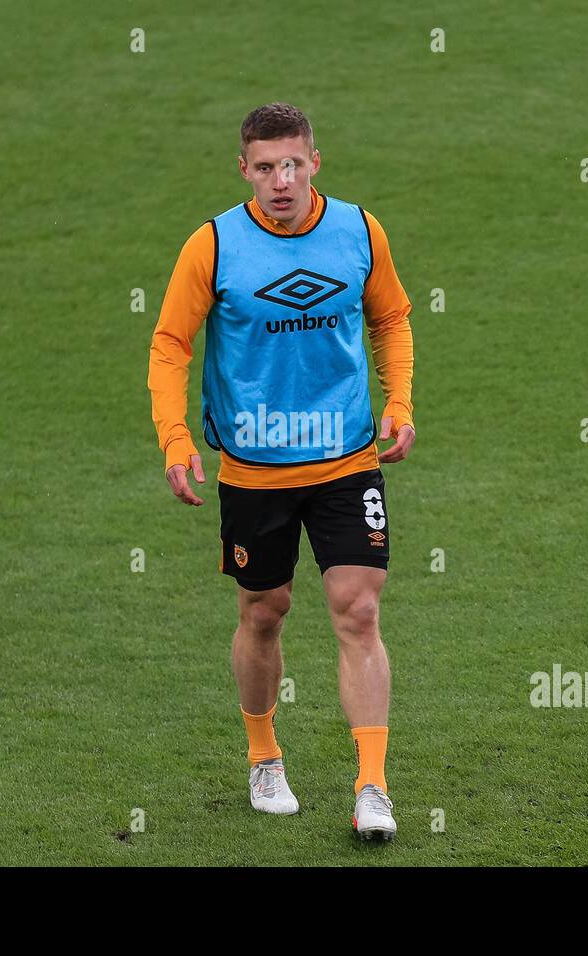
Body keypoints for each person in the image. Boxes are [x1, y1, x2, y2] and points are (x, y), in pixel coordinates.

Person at [147, 102, 415, 840]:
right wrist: (176, 440)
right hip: (256, 468)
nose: (281, 180)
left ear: (315, 162)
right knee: (264, 611)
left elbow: (390, 317)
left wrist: (401, 402)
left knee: (359, 611)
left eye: (292, 164)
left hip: (345, 460)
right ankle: (264, 756)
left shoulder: (360, 231)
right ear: (245, 171)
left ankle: (372, 786)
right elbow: (171, 342)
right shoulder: (214, 246)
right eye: (265, 168)